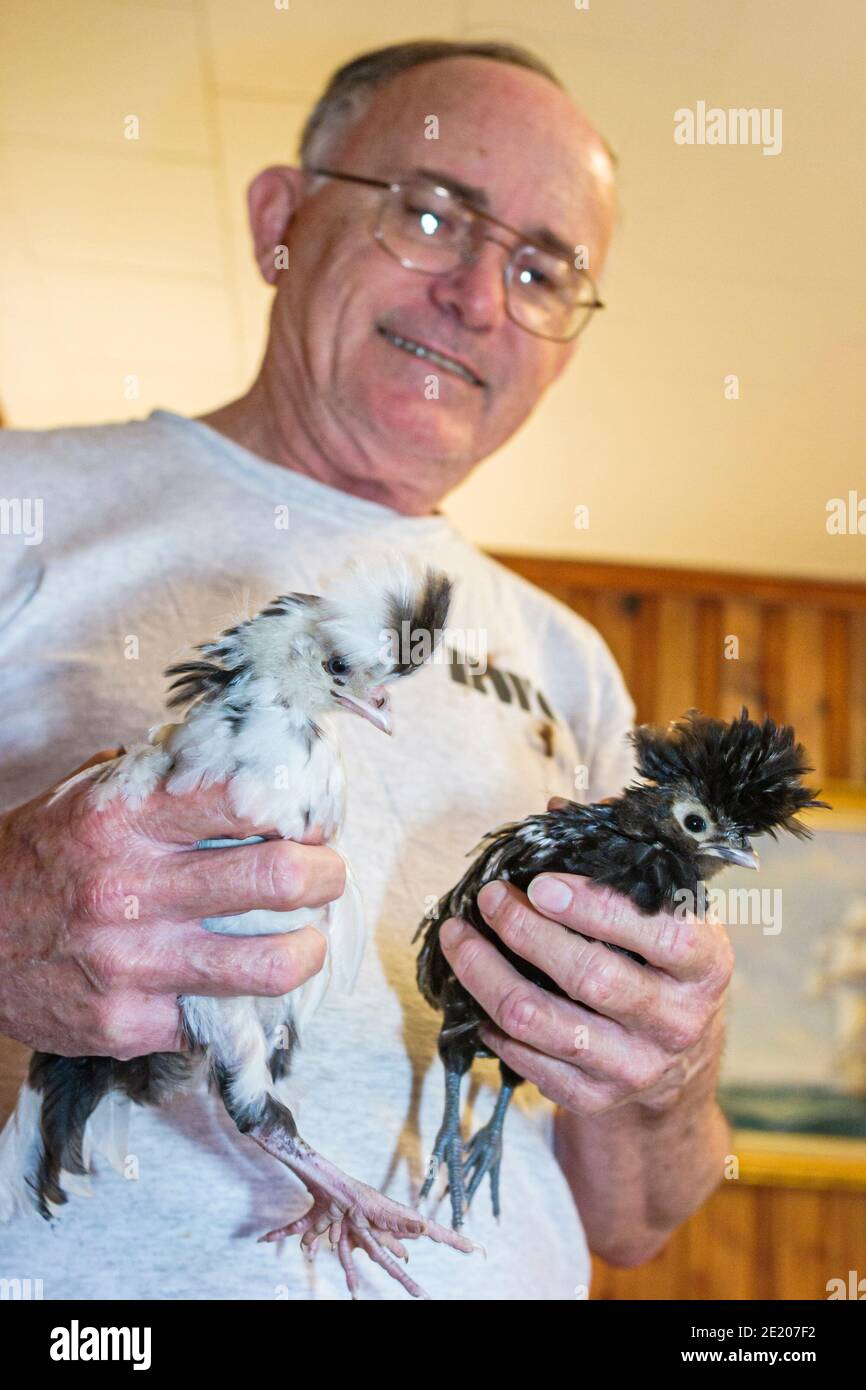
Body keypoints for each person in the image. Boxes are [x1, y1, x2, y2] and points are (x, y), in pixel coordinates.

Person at [0, 40, 732, 1300]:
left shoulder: (577, 663)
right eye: (433, 211)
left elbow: (637, 1222)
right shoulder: (28, 500)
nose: (479, 296)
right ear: (280, 219)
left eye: (541, 268)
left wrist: (665, 1079)